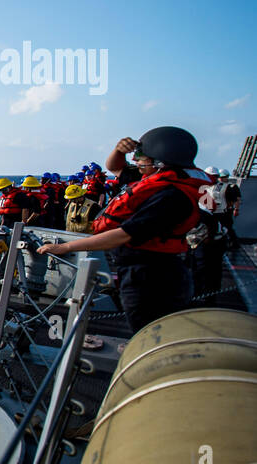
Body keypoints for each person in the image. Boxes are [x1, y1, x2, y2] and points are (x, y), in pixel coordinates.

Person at [38, 127, 206, 333]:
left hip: (153, 277)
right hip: (140, 271)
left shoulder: (172, 197)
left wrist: (66, 247)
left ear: (159, 162)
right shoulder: (154, 180)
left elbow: (123, 234)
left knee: (149, 332)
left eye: (141, 157)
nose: (136, 161)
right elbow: (115, 168)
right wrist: (119, 151)